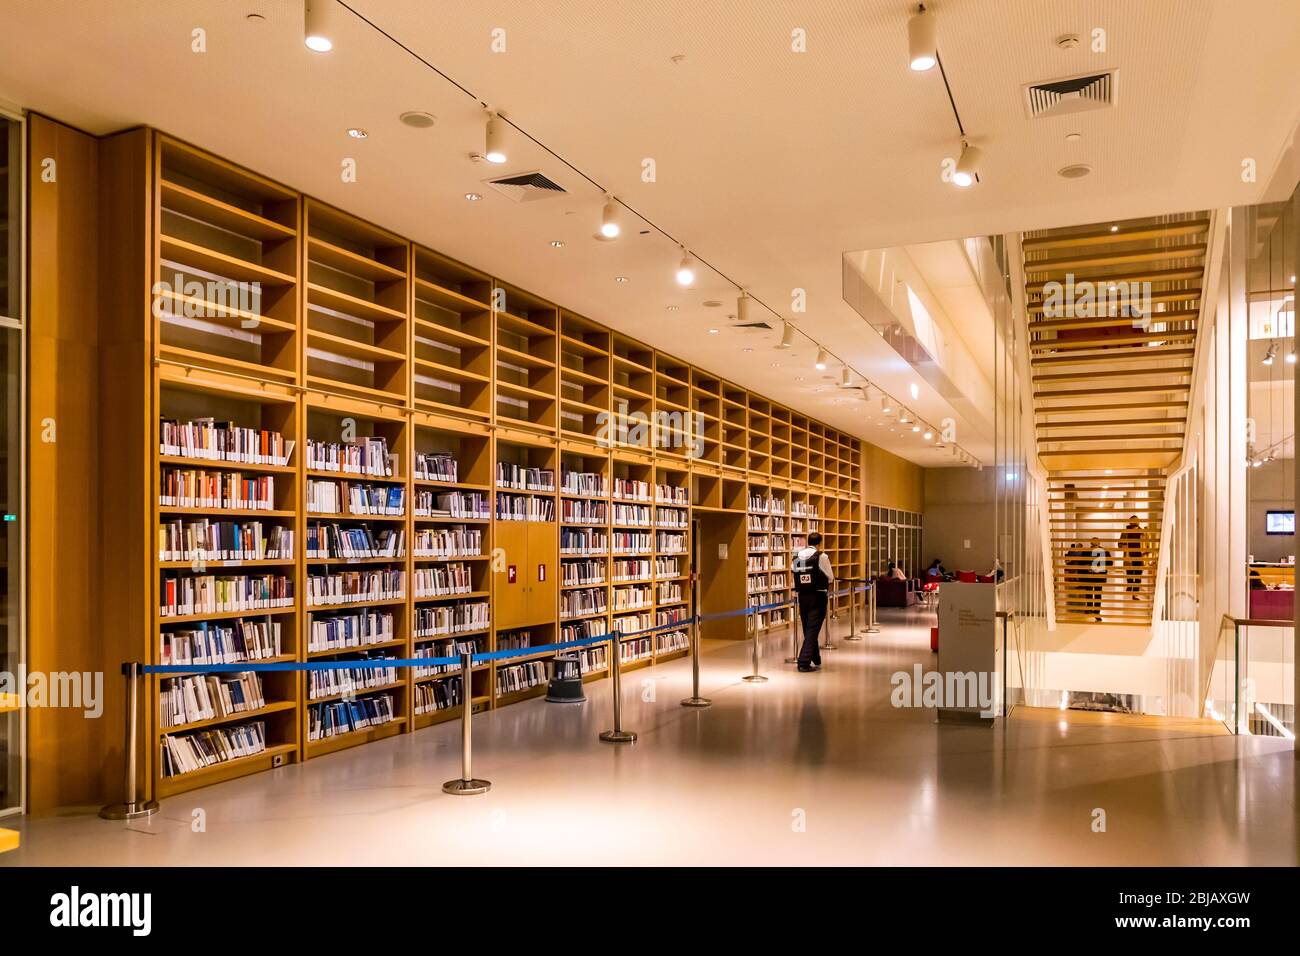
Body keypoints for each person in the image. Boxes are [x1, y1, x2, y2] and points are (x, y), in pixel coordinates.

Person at [793, 532, 834, 672]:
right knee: (812, 630)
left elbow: (795, 572)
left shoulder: (797, 555)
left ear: (808, 542)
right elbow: (830, 577)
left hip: (802, 596)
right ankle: (803, 662)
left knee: (808, 628)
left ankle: (815, 658)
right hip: (818, 596)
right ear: (819, 543)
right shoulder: (822, 556)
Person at [1119, 516, 1144, 599]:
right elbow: (1119, 544)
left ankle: (1135, 595)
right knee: (1130, 575)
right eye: (1133, 520)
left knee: (1138, 577)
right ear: (1130, 522)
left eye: (1137, 520)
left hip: (1139, 557)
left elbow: (1146, 544)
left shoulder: (1143, 532)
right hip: (1129, 556)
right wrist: (1123, 546)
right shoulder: (1125, 532)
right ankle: (1130, 586)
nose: (1136, 522)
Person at [1087, 537, 1108, 621]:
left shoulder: (1104, 551)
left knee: (1097, 593)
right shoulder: (1087, 551)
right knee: (1089, 592)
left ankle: (1096, 611)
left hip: (1099, 575)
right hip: (1089, 574)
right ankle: (1090, 609)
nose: (1095, 545)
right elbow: (1081, 562)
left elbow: (1110, 562)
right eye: (1093, 543)